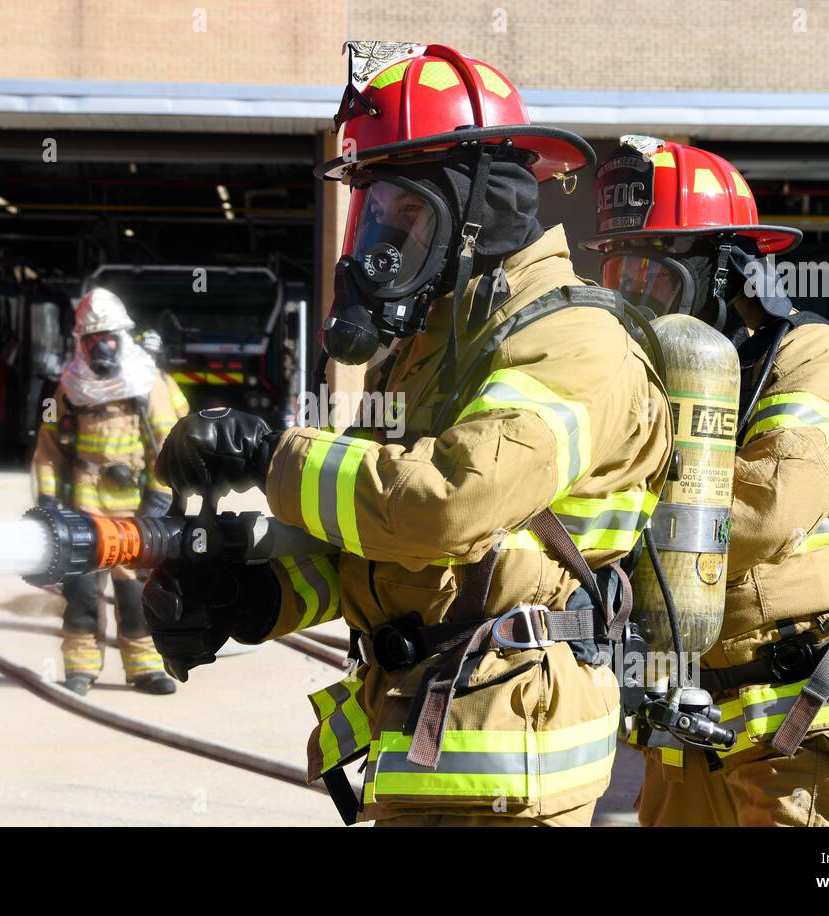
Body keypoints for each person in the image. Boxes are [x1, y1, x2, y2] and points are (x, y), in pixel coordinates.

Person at [143, 42, 672, 826]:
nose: (380, 241)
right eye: (374, 213)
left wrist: (268, 455)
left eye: (408, 210)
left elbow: (444, 509)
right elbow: (380, 539)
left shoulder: (574, 340)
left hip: (509, 770)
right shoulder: (437, 345)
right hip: (427, 746)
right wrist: (253, 599)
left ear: (478, 205)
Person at [588, 136, 829, 826]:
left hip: (815, 714)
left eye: (654, 276)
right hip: (695, 719)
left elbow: (771, 504)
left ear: (726, 269)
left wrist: (609, 537)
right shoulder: (674, 385)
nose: (633, 300)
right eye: (620, 275)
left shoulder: (819, 362)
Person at [31, 288, 179, 696]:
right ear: (81, 341)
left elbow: (169, 447)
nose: (102, 346)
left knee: (137, 596)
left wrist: (159, 501)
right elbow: (47, 452)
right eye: (93, 339)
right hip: (84, 513)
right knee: (80, 596)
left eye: (108, 337)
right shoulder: (68, 389)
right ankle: (81, 669)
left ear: (122, 337)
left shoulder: (147, 383)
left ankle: (145, 669)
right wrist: (47, 504)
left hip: (136, 515)